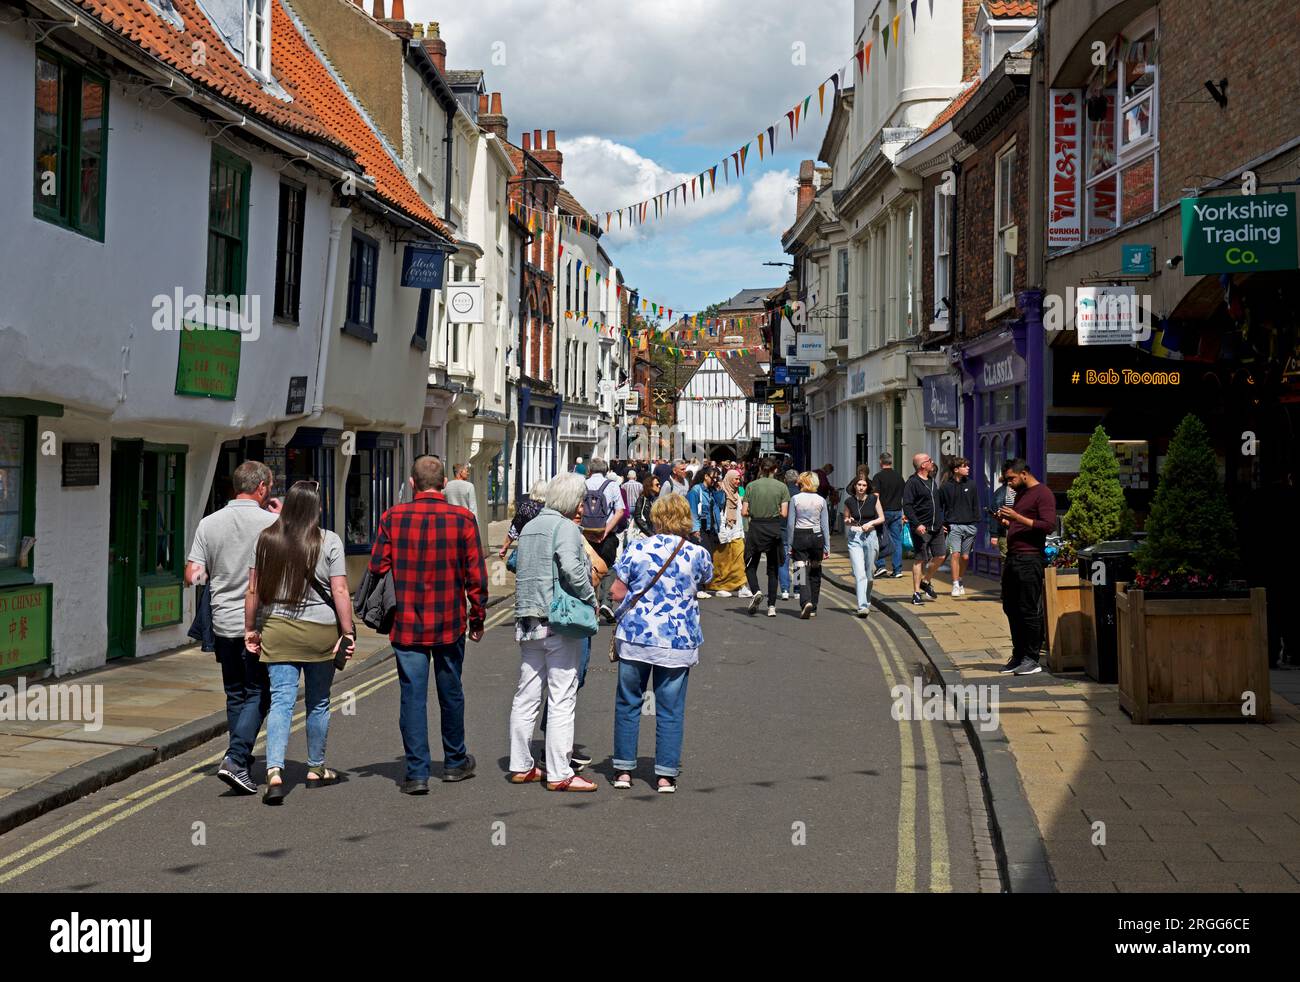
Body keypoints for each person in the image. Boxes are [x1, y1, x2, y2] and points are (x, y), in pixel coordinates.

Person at [367, 456, 487, 795]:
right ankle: (453, 763)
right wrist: (477, 617)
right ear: (445, 483)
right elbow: (476, 577)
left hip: (406, 624)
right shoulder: (463, 520)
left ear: (411, 482)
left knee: (412, 696)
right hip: (449, 622)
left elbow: (377, 565)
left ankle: (417, 772)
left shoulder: (392, 518)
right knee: (451, 693)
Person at [244, 480, 355, 804]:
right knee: (319, 701)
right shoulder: (329, 541)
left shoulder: (266, 540)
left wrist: (249, 629)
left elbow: (252, 591)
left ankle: (274, 772)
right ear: (315, 508)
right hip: (320, 632)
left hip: (278, 630)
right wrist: (347, 632)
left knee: (281, 702)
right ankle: (315, 769)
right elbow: (340, 591)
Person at [185, 461, 279, 795]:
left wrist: (218, 577)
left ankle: (238, 757)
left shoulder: (209, 523)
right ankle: (237, 758)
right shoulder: (273, 523)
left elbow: (192, 575)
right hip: (261, 624)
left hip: (223, 621)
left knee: (236, 691)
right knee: (260, 692)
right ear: (263, 487)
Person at [609, 494, 713, 793]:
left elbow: (617, 592)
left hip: (636, 637)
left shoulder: (637, 548)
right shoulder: (696, 553)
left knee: (628, 703)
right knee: (670, 707)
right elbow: (706, 580)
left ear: (656, 517)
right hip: (677, 640)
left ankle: (623, 772)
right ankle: (665, 775)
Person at [507, 472, 599, 791]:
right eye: (582, 500)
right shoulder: (566, 528)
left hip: (527, 618)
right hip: (558, 621)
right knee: (562, 695)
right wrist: (590, 597)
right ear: (572, 501)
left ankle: (520, 764)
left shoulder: (529, 527)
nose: (583, 507)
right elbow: (573, 569)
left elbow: (516, 563)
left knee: (527, 694)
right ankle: (560, 772)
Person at [997, 459, 1057, 676]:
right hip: (1013, 558)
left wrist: (1017, 517)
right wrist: (1008, 522)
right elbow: (1022, 522)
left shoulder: (1043, 493)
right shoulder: (1021, 494)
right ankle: (1019, 655)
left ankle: (1032, 659)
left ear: (1024, 473)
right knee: (1010, 607)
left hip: (1030, 559)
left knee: (1028, 609)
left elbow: (1048, 525)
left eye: (1011, 478)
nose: (1009, 484)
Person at [742, 458, 791, 617]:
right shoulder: (782, 487)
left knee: (750, 564)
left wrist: (755, 511)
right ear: (775, 470)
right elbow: (784, 514)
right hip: (774, 529)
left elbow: (744, 512)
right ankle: (771, 607)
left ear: (761, 469)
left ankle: (756, 591)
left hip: (756, 528)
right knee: (773, 570)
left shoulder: (751, 486)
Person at [582, 458, 625, 623]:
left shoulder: (583, 485)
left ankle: (590, 605)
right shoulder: (612, 485)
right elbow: (620, 511)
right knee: (608, 568)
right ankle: (606, 602)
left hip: (586, 535)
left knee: (588, 569)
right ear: (606, 470)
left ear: (589, 470)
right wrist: (605, 532)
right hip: (606, 535)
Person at [902, 452, 946, 606]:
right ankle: (916, 593)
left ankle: (925, 581)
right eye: (929, 460)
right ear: (922, 465)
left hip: (937, 526)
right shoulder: (912, 483)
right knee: (920, 559)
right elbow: (907, 505)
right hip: (922, 527)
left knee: (940, 555)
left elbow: (937, 503)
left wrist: (942, 521)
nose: (932, 462)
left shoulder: (932, 480)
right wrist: (917, 524)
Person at [787, 472, 832, 618]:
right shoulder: (821, 500)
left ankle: (805, 601)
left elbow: (790, 525)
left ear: (803, 483)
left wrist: (789, 545)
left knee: (800, 571)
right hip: (816, 537)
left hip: (800, 536)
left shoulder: (795, 499)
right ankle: (814, 606)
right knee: (815, 571)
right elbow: (825, 525)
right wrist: (827, 546)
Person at [844, 475, 886, 617]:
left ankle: (867, 601)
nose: (861, 487)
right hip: (855, 537)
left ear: (867, 487)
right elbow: (845, 519)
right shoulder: (849, 501)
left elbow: (881, 518)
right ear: (854, 486)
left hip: (871, 537)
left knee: (869, 575)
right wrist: (848, 520)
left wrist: (871, 523)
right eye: (859, 485)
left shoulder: (874, 499)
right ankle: (862, 606)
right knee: (859, 573)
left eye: (864, 485)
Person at [940, 457, 980, 597]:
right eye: (965, 466)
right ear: (956, 470)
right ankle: (955, 584)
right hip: (954, 526)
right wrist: (942, 524)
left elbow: (976, 504)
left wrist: (976, 522)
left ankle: (960, 579)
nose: (968, 468)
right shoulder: (945, 486)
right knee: (955, 555)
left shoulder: (972, 484)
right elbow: (940, 506)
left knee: (965, 557)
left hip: (970, 526)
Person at [707, 469, 747, 597]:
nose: (738, 481)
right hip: (725, 532)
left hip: (737, 532)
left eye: (739, 478)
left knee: (739, 559)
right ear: (729, 479)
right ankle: (720, 586)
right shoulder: (722, 494)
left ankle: (742, 586)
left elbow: (739, 515)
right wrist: (722, 533)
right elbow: (720, 515)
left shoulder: (737, 494)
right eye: (735, 479)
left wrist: (741, 531)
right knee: (723, 562)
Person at [687, 466, 720, 598]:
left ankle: (702, 586)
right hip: (700, 528)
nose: (715, 479)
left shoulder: (711, 491)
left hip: (710, 527)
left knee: (709, 556)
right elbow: (693, 510)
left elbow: (720, 505)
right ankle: (698, 587)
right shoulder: (696, 490)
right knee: (702, 557)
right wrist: (695, 530)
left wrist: (719, 491)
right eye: (714, 477)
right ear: (706, 476)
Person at [872, 452, 906, 578]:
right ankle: (897, 570)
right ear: (890, 462)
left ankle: (881, 566)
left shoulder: (878, 477)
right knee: (897, 540)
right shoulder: (899, 477)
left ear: (881, 462)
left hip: (883, 512)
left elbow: (876, 496)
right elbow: (904, 495)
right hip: (897, 511)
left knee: (880, 538)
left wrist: (876, 513)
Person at [499, 479, 548, 560]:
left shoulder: (525, 507)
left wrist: (505, 547)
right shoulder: (549, 508)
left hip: (526, 549)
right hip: (545, 550)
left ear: (533, 491)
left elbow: (514, 530)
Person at [990, 463, 1016, 561]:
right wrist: (994, 535)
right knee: (1006, 560)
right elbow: (994, 514)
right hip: (1004, 532)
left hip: (1020, 532)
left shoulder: (1024, 491)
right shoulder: (1000, 492)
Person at [632, 472, 660, 539]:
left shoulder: (652, 499)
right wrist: (651, 534)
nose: (659, 486)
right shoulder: (642, 498)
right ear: (650, 486)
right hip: (642, 535)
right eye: (657, 484)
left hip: (649, 533)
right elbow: (638, 518)